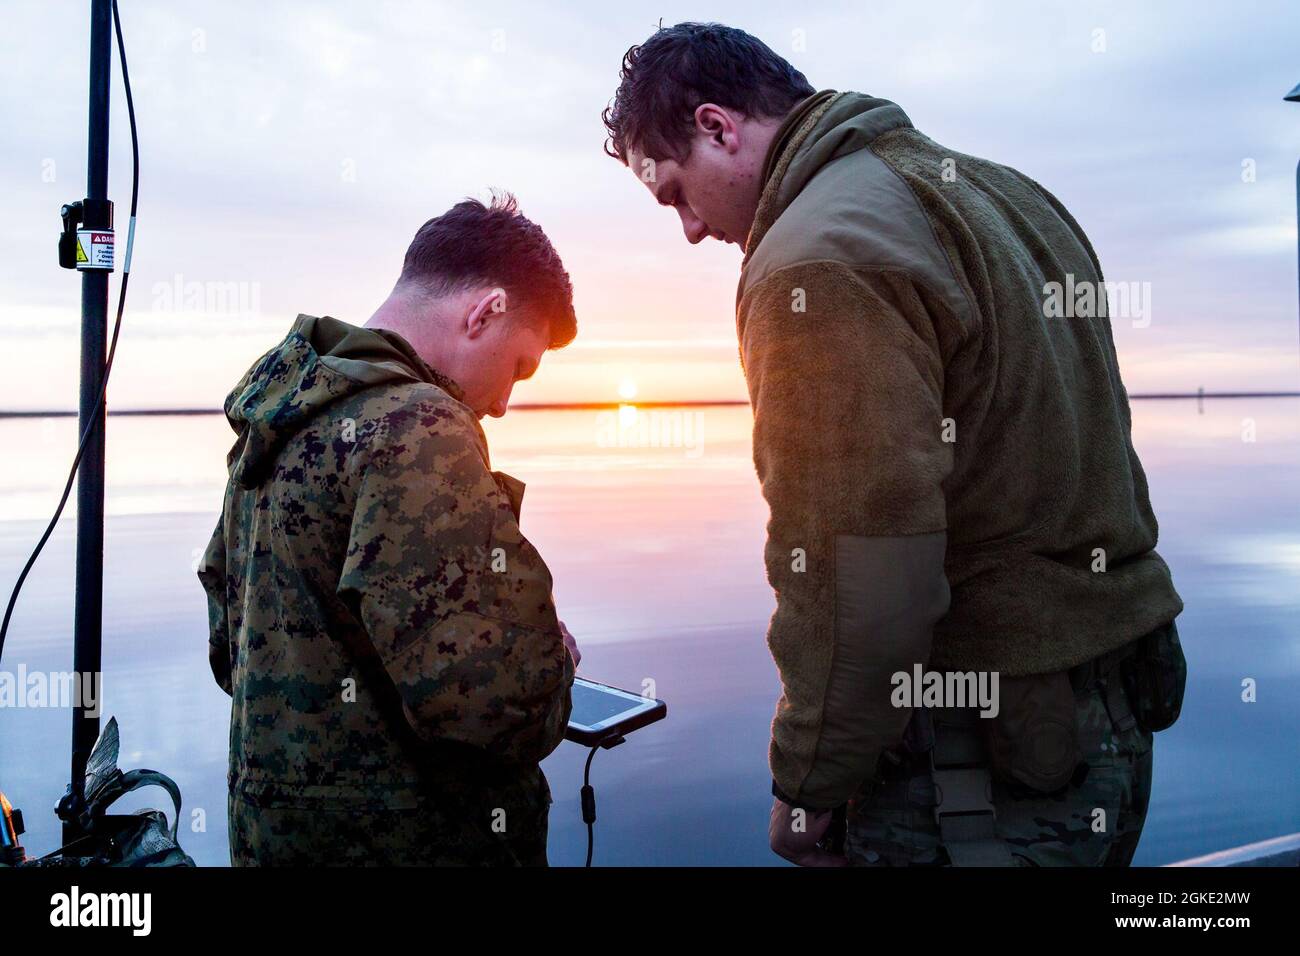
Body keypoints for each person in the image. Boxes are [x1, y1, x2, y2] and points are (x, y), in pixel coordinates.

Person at [602, 23, 1185, 867]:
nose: (689, 228)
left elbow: (862, 579)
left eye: (676, 194)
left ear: (719, 126)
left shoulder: (817, 259)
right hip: (1111, 717)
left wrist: (808, 787)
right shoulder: (1014, 196)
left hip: (976, 770)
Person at [197, 192, 581, 866]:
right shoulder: (419, 425)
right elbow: (491, 709)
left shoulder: (278, 416)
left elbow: (232, 652)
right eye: (518, 366)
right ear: (485, 310)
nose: (502, 402)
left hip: (271, 839)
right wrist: (556, 665)